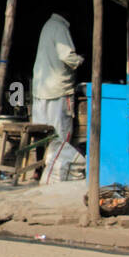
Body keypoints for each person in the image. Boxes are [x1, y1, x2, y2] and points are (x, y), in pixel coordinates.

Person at [33, 10, 85, 184]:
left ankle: (39, 171)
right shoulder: (60, 27)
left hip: (41, 89)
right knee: (60, 134)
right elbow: (67, 56)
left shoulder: (47, 26)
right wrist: (81, 60)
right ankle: (56, 172)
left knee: (42, 134)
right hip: (58, 90)